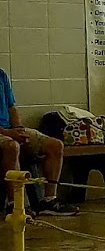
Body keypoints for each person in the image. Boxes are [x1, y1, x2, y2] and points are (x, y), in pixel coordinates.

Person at [0, 66, 77, 215]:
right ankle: (15, 203)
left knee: (55, 145)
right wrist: (8, 133)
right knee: (12, 146)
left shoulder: (1, 74)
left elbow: (12, 107)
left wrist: (19, 129)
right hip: (3, 132)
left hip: (9, 128)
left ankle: (49, 200)